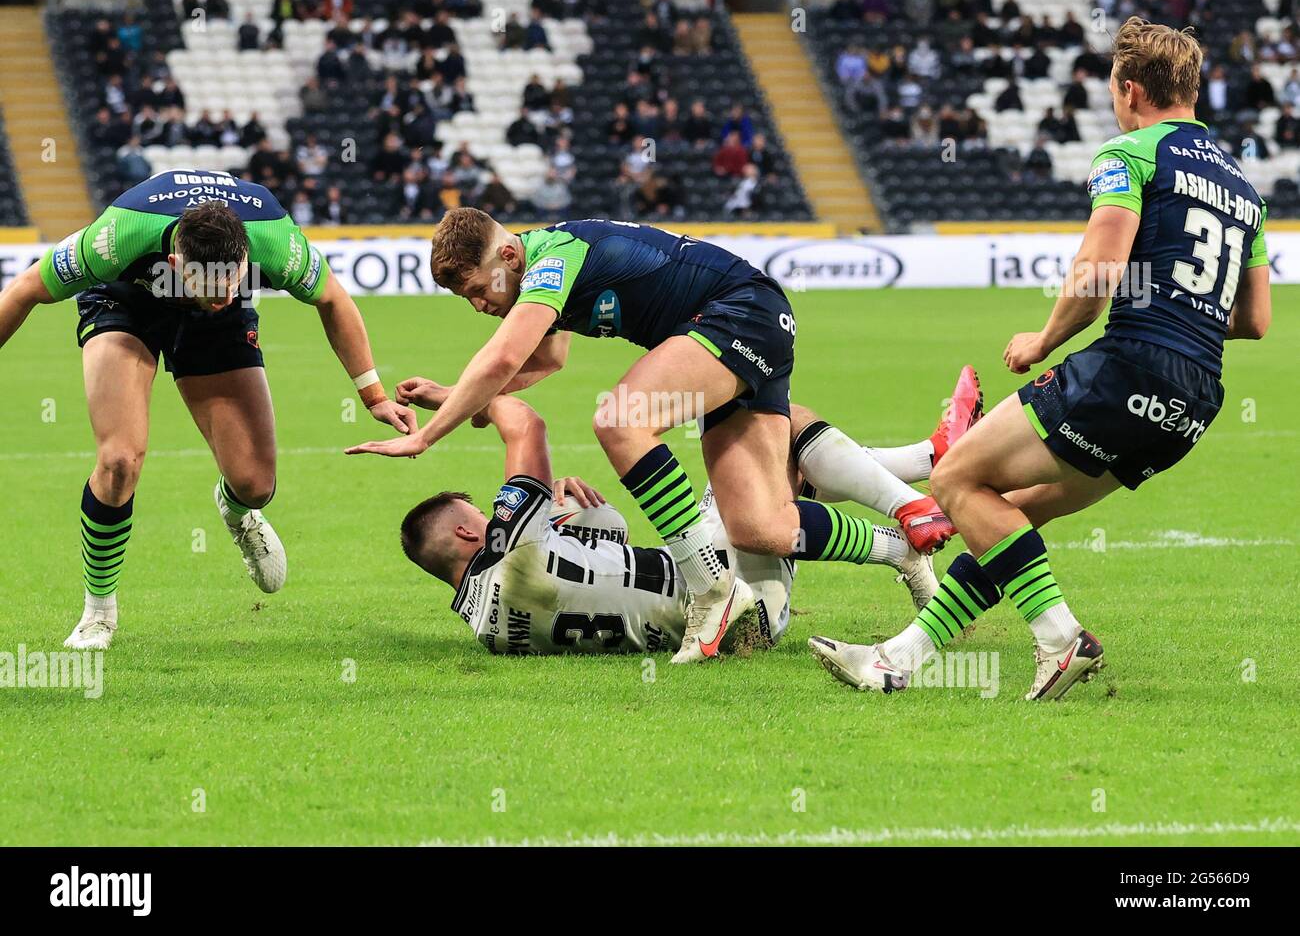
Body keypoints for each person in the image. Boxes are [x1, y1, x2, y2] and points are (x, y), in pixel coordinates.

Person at [810, 18, 1271, 701]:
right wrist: (1183, 314)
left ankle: (1060, 639)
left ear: (1131, 89)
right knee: (1015, 512)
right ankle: (895, 660)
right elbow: (1254, 320)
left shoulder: (1131, 154)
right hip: (1195, 398)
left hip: (1130, 370)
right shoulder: (1245, 190)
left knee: (958, 480)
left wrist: (1041, 342)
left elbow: (1095, 275)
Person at [346, 210, 961, 664]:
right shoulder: (539, 283)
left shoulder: (552, 255)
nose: (478, 304)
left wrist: (427, 435)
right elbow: (545, 363)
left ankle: (712, 588)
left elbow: (506, 359)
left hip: (736, 308)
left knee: (619, 420)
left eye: (477, 289)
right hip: (742, 322)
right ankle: (900, 541)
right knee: (761, 526)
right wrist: (457, 396)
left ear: (508, 257)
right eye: (466, 299)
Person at [0, 171, 418, 650]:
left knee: (256, 485)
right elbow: (26, 288)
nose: (222, 297)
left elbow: (333, 299)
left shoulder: (272, 237)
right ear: (176, 262)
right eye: (209, 286)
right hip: (126, 303)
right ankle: (98, 611)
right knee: (119, 461)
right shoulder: (119, 234)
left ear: (244, 259)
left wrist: (374, 396)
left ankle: (236, 510)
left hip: (211, 332)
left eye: (231, 284)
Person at [397, 386, 973, 655]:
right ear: (472, 532)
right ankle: (908, 524)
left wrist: (588, 519)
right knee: (774, 430)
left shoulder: (488, 633)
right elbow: (524, 422)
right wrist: (454, 400)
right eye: (482, 510)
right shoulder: (507, 546)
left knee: (768, 466)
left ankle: (930, 464)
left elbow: (610, 570)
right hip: (729, 600)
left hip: (718, 613)